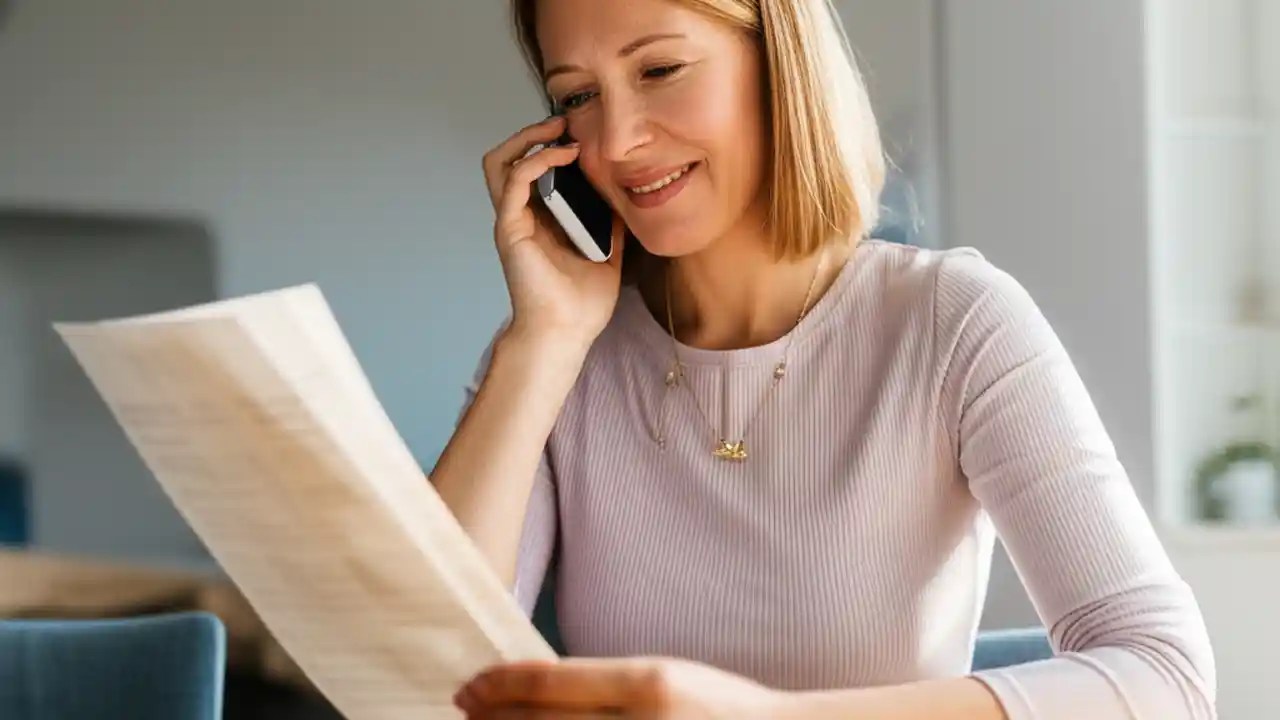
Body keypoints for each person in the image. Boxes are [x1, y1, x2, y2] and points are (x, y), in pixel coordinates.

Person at [431, 0, 1217, 717]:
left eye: (659, 70)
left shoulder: (951, 321)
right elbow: (419, 680)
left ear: (779, 62)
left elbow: (1166, 677)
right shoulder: (559, 358)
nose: (617, 140)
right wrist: (542, 345)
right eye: (577, 96)